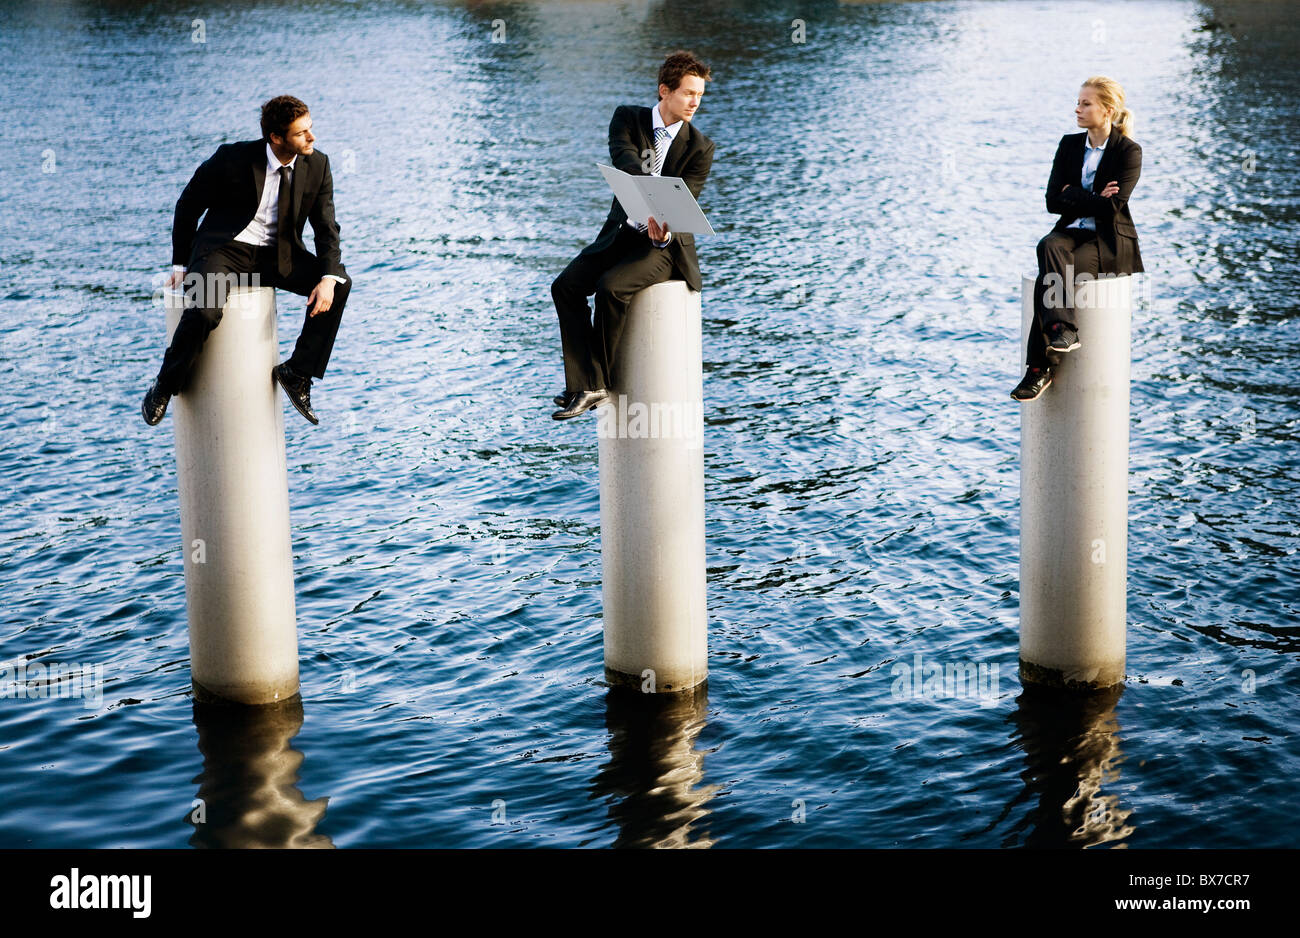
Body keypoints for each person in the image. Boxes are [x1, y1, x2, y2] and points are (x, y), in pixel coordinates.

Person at [142, 95, 352, 426]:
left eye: (310, 129)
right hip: (225, 250)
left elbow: (326, 229)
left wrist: (327, 278)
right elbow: (188, 204)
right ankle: (165, 385)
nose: (312, 138)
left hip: (277, 255)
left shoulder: (318, 165)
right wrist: (180, 264)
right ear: (277, 138)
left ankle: (297, 373)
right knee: (205, 309)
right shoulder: (233, 159)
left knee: (339, 285)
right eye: (302, 133)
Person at [550, 50, 715, 420]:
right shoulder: (628, 118)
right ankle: (586, 382)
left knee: (611, 287)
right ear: (664, 91)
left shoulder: (700, 147)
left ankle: (595, 386)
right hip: (622, 232)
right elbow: (623, 156)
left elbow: (686, 201)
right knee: (566, 286)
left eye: (700, 95)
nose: (695, 102)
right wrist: (647, 192)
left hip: (662, 248)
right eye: (688, 93)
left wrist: (663, 230)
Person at [1012, 76, 1143, 402]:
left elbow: (1112, 207)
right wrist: (1091, 197)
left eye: (1086, 104)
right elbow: (1052, 202)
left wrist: (1076, 193)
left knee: (1049, 278)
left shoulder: (1128, 152)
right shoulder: (1070, 145)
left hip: (1106, 242)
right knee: (1048, 245)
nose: (1078, 109)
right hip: (1070, 232)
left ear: (1107, 110)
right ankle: (1062, 330)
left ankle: (1039, 369)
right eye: (1079, 102)